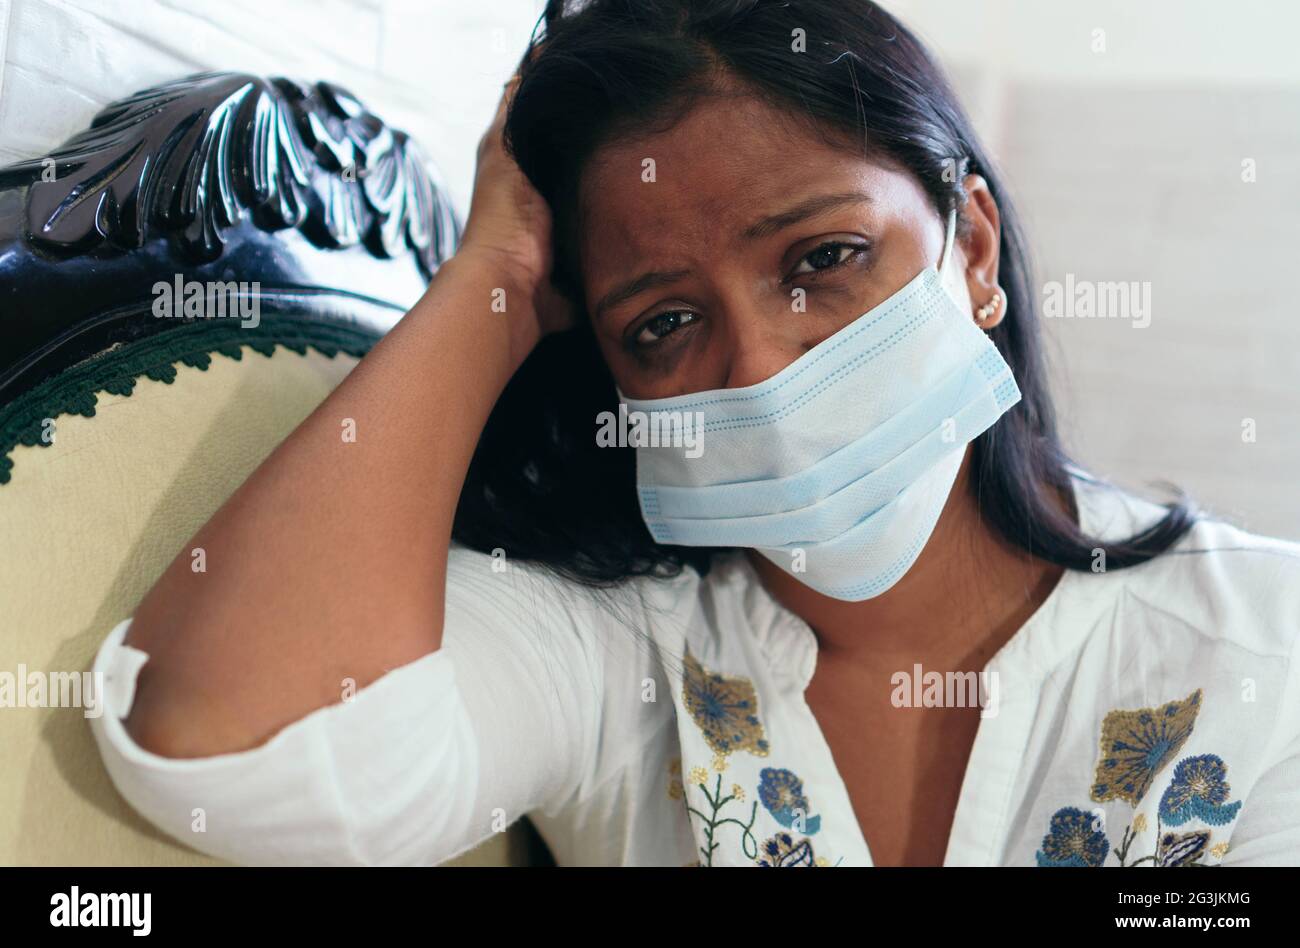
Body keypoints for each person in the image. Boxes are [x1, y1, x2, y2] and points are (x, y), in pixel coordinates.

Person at [88, 0, 1300, 867]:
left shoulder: (1266, 655)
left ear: (969, 248)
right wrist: (494, 276)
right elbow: (223, 739)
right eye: (662, 321)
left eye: (824, 258)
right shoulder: (612, 646)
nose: (758, 367)